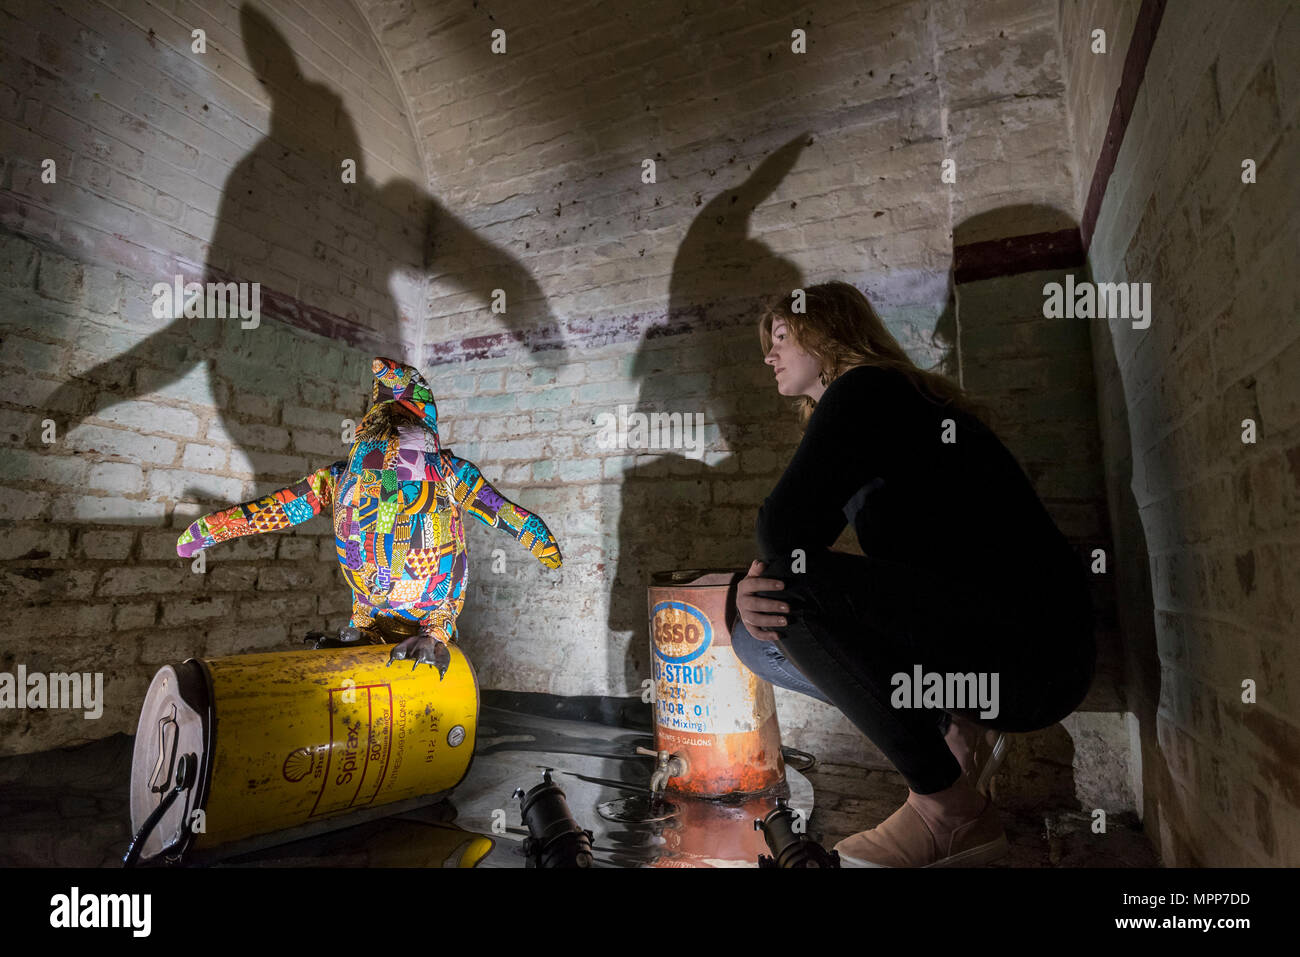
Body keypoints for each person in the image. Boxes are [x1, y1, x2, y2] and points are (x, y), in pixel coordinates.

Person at [732, 281, 1095, 867]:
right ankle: (958, 733)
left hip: (1031, 658)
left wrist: (765, 578)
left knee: (782, 594)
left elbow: (781, 536)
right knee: (756, 629)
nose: (768, 356)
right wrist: (765, 580)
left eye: (780, 337)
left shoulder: (868, 388)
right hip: (1004, 655)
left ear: (828, 333)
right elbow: (801, 544)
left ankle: (947, 810)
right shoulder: (887, 410)